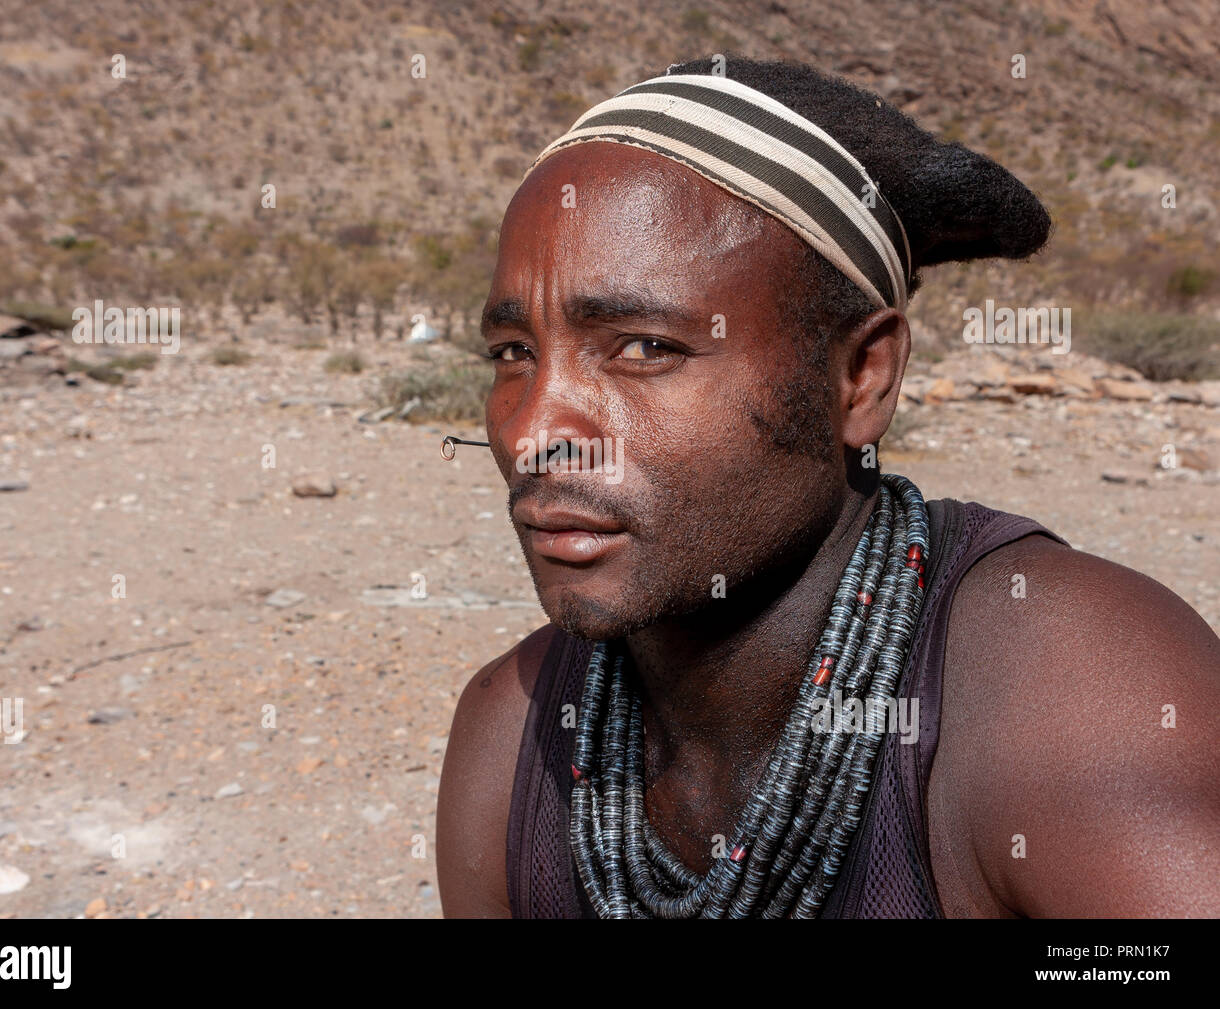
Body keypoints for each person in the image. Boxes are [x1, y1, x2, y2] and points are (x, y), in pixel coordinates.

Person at [435, 56, 1220, 918]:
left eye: (644, 347)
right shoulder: (512, 739)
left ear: (861, 376)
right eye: (514, 354)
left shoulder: (1070, 695)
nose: (537, 431)